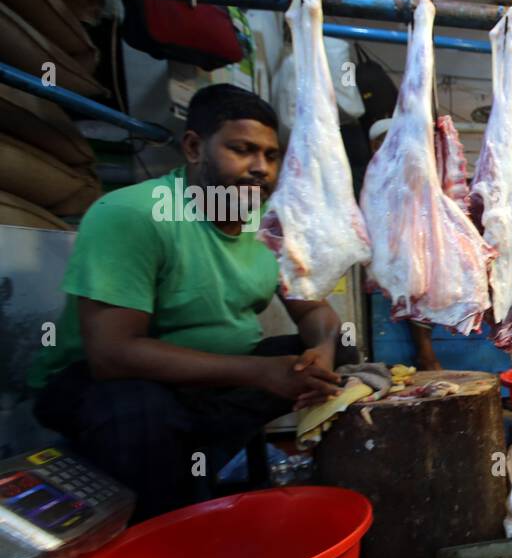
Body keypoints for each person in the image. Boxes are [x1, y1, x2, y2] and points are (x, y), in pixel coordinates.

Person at [27, 84, 355, 522]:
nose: (260, 169)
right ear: (195, 147)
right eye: (242, 150)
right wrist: (260, 373)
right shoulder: (132, 215)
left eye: (271, 156)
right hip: (110, 384)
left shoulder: (270, 225)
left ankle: (231, 472)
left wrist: (321, 354)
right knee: (139, 411)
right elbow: (112, 354)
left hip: (215, 378)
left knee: (343, 359)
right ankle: (163, 542)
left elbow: (314, 310)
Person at [367, 116, 440, 371]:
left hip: (412, 254)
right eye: (383, 141)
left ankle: (426, 354)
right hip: (386, 259)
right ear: (374, 145)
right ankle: (426, 355)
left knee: (417, 286)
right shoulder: (375, 175)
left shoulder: (411, 173)